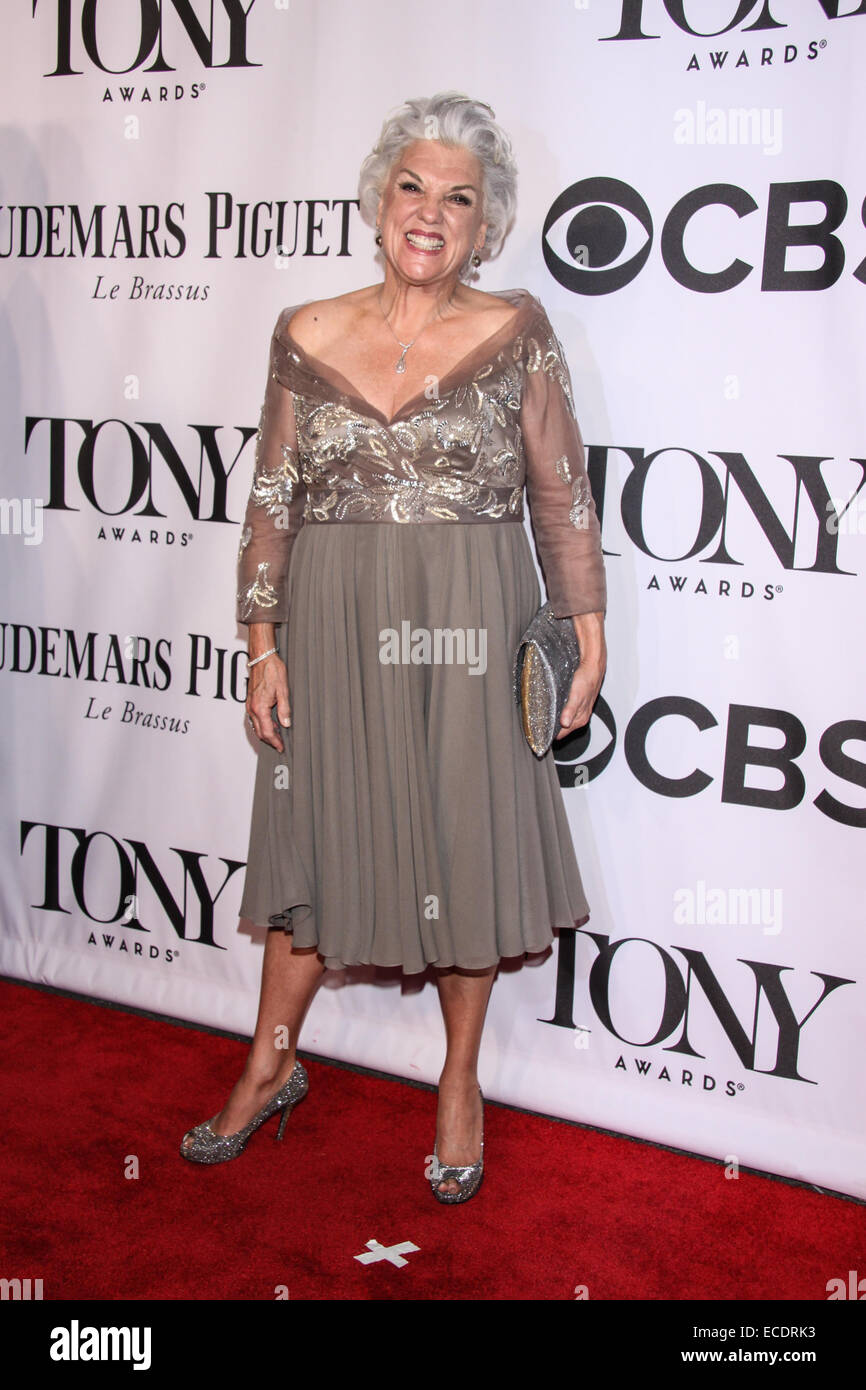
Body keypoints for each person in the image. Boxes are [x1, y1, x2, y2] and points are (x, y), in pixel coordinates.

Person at [181, 92, 607, 1203]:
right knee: (313, 843)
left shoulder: (514, 329)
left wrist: (587, 639)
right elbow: (270, 497)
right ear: (378, 198)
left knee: (461, 842)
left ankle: (458, 1081)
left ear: (484, 225)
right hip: (328, 622)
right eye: (412, 186)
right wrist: (262, 644)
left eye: (458, 198)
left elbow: (561, 496)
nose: (430, 211)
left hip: (471, 617)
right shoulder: (305, 330)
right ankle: (269, 1064)